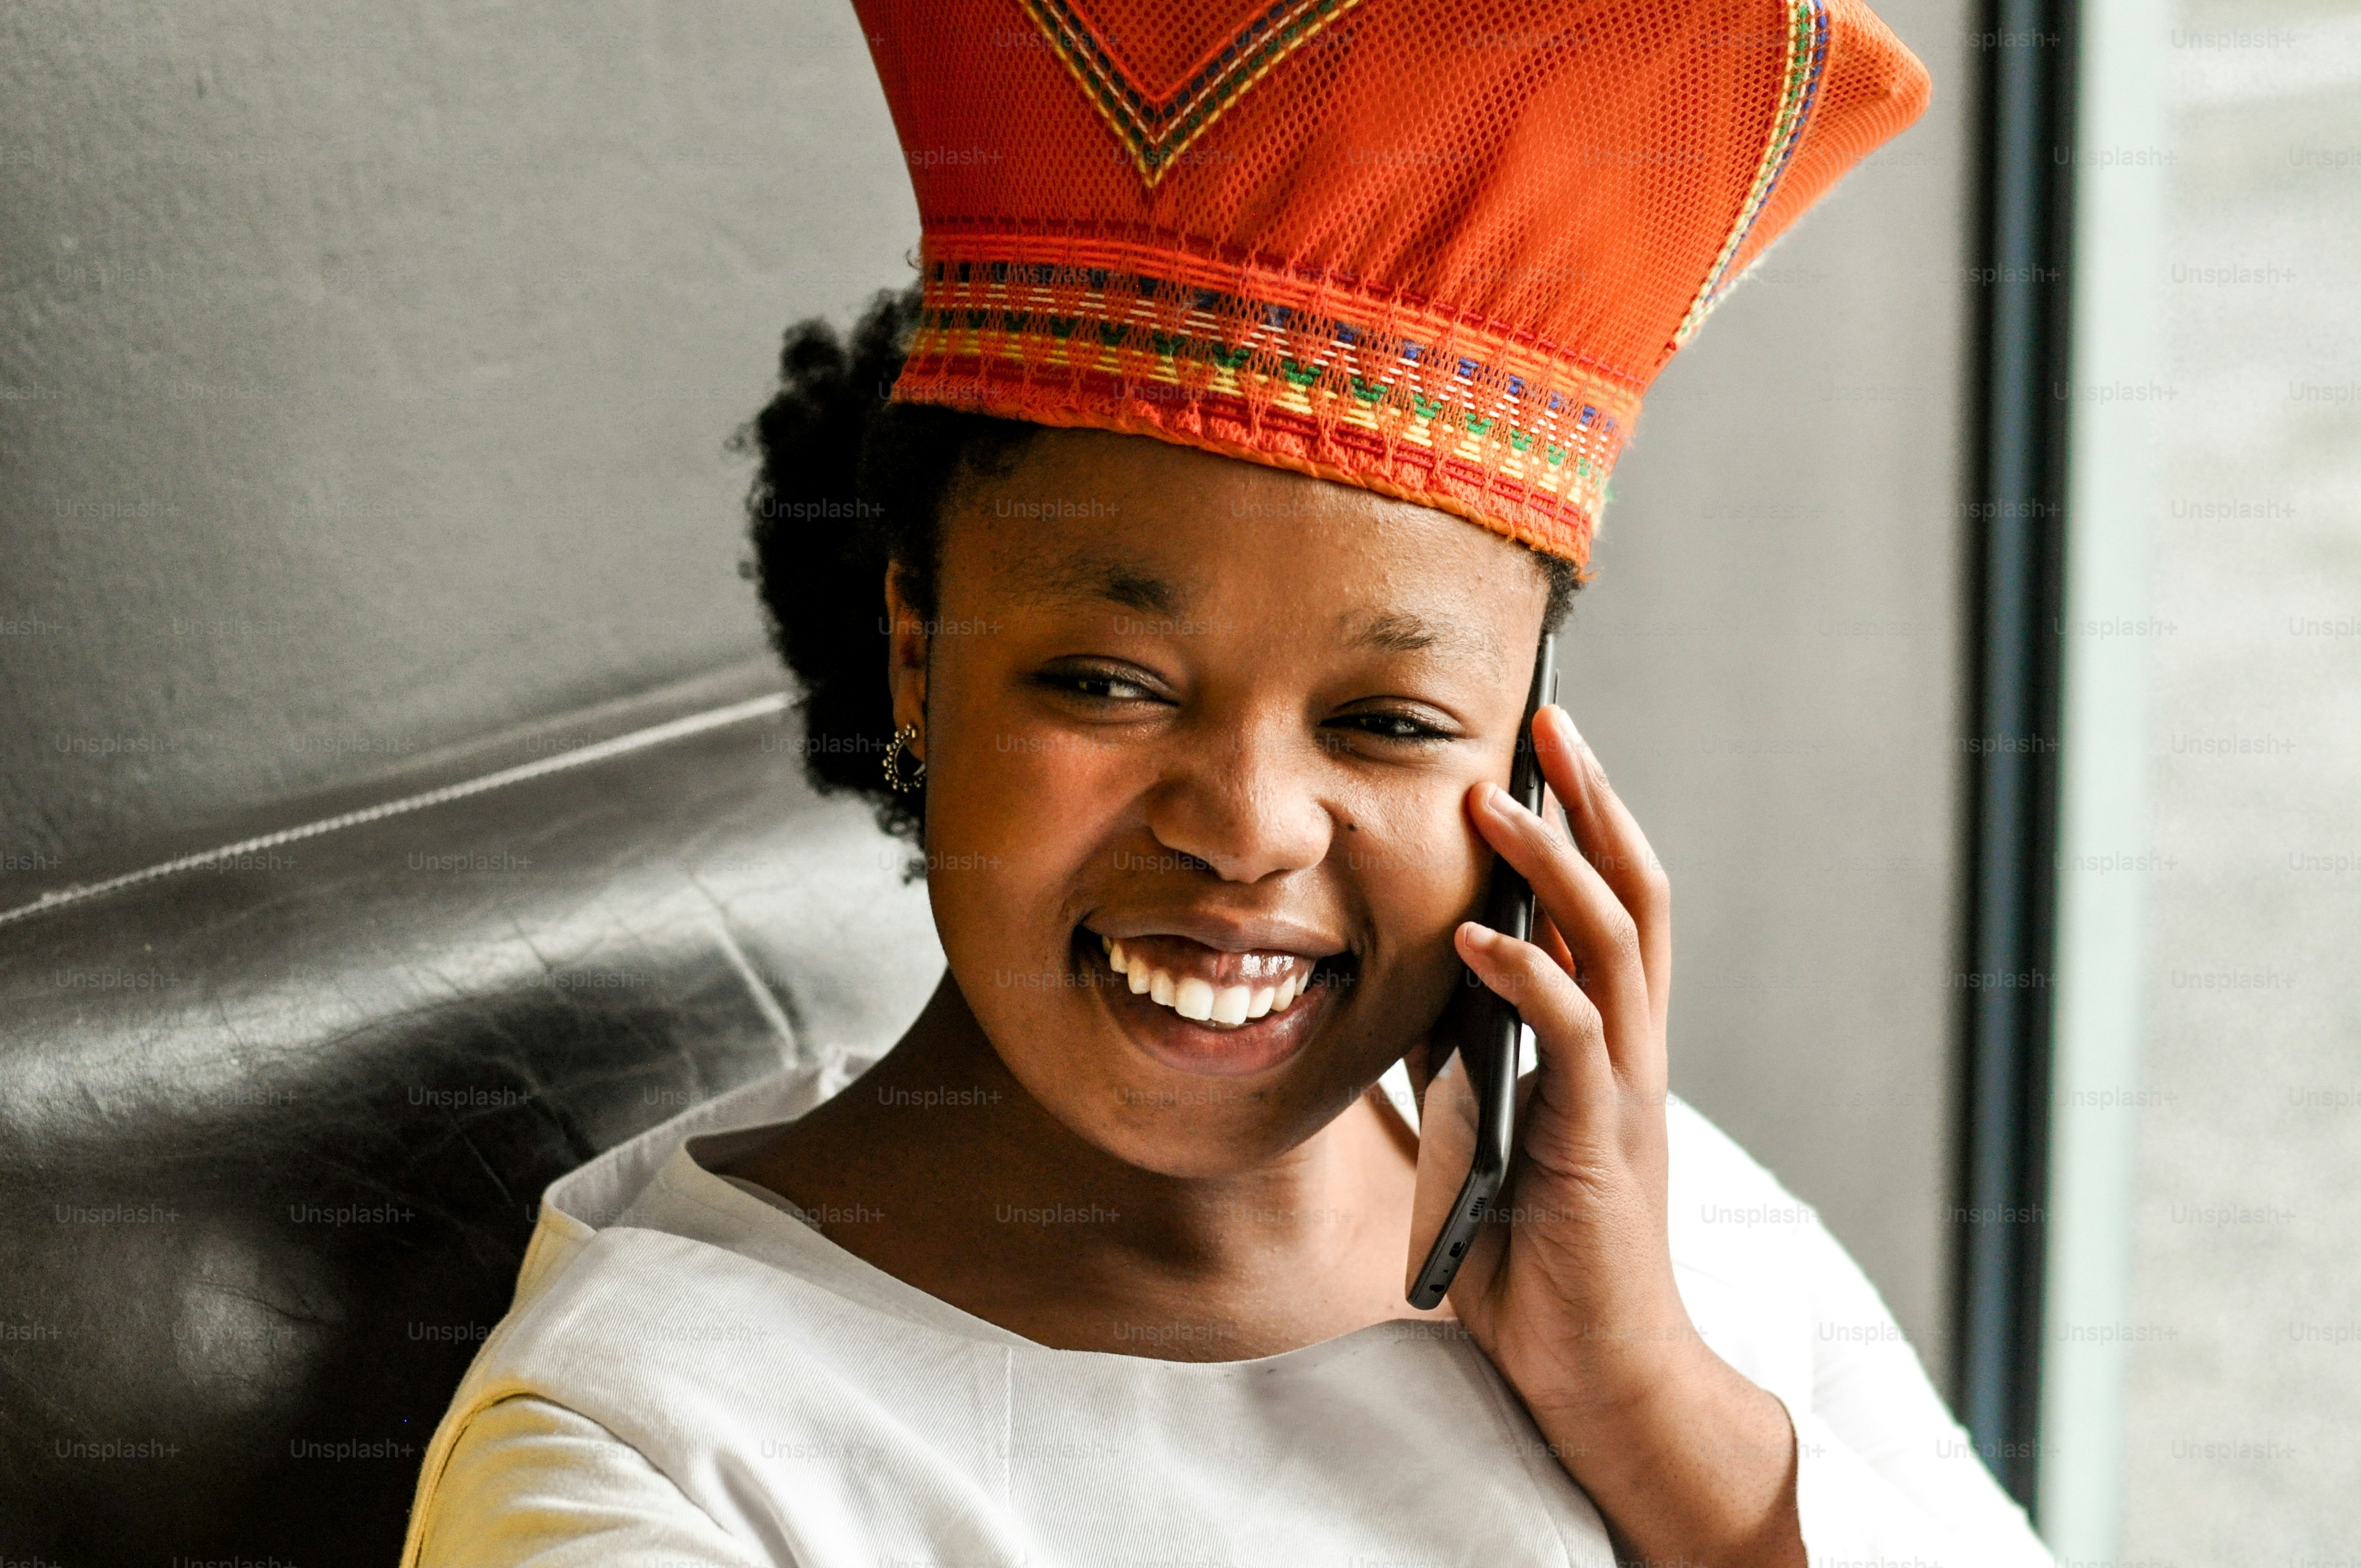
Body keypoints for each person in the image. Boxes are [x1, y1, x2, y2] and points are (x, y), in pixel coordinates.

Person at [403, 2, 2054, 1564]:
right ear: (921, 657)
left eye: (1391, 722)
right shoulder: (644, 1455)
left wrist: (1647, 1404)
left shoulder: (1652, 1233)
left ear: (1532, 758)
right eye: (1111, 686)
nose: (1250, 826)